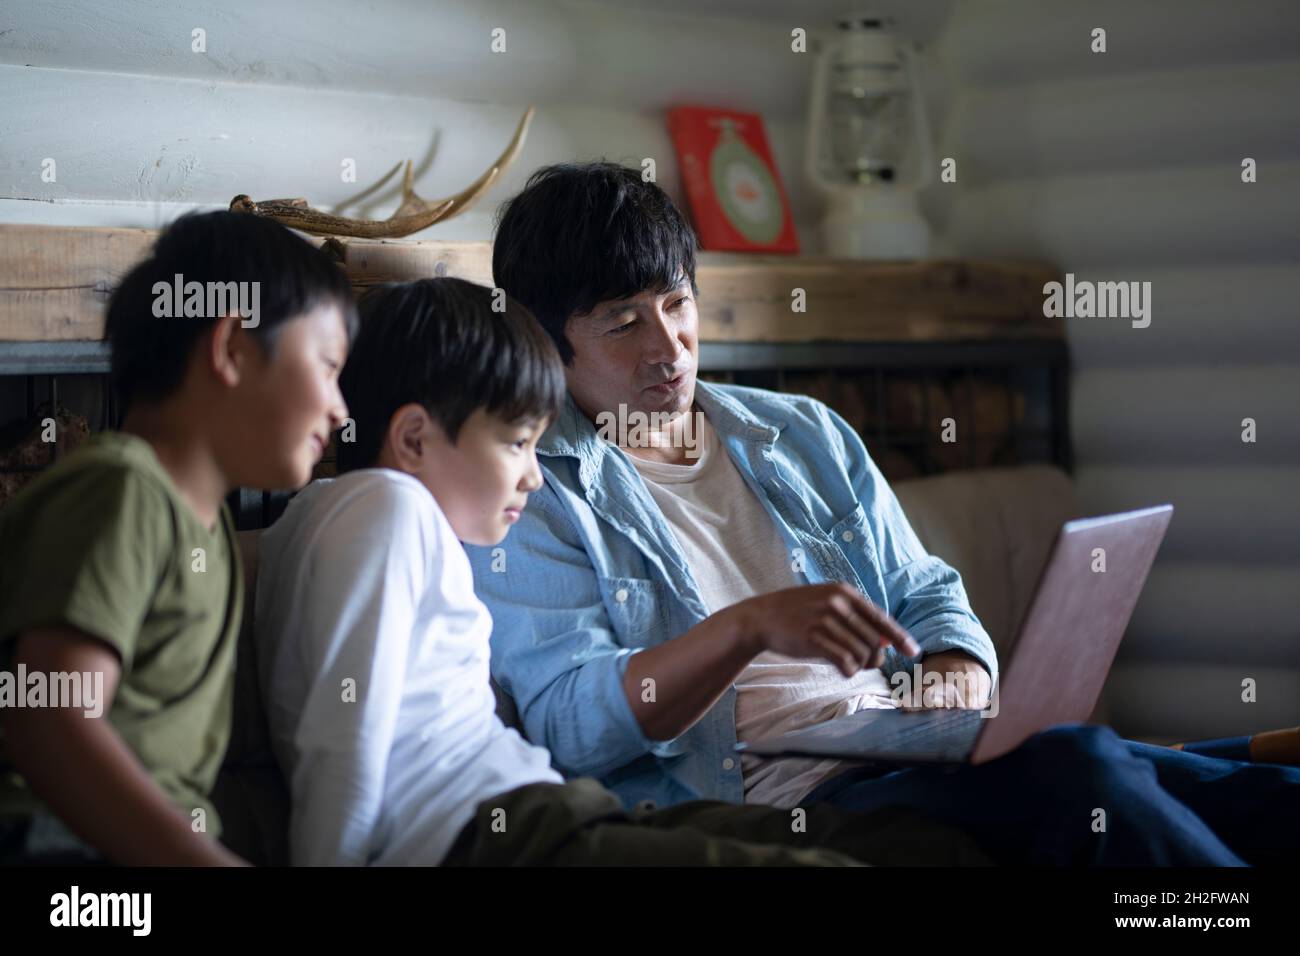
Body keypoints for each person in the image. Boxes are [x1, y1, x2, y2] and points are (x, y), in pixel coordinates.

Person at [467, 161, 1300, 866]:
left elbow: (927, 590)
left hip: (910, 738)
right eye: (620, 321)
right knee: (1081, 768)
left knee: (1265, 788)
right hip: (789, 792)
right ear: (547, 340)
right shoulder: (535, 489)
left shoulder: (801, 434)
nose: (669, 345)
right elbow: (573, 726)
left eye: (676, 302)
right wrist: (746, 628)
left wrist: (957, 671)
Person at [253, 277, 989, 866]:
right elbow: (340, 743)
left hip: (551, 813)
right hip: (499, 832)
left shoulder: (328, 523)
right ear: (413, 436)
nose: (535, 479)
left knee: (914, 848)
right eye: (517, 445)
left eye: (677, 304)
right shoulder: (384, 511)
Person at [0, 211, 355, 865]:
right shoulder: (122, 489)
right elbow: (48, 717)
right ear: (231, 349)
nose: (340, 407)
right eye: (329, 366)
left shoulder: (207, 525)